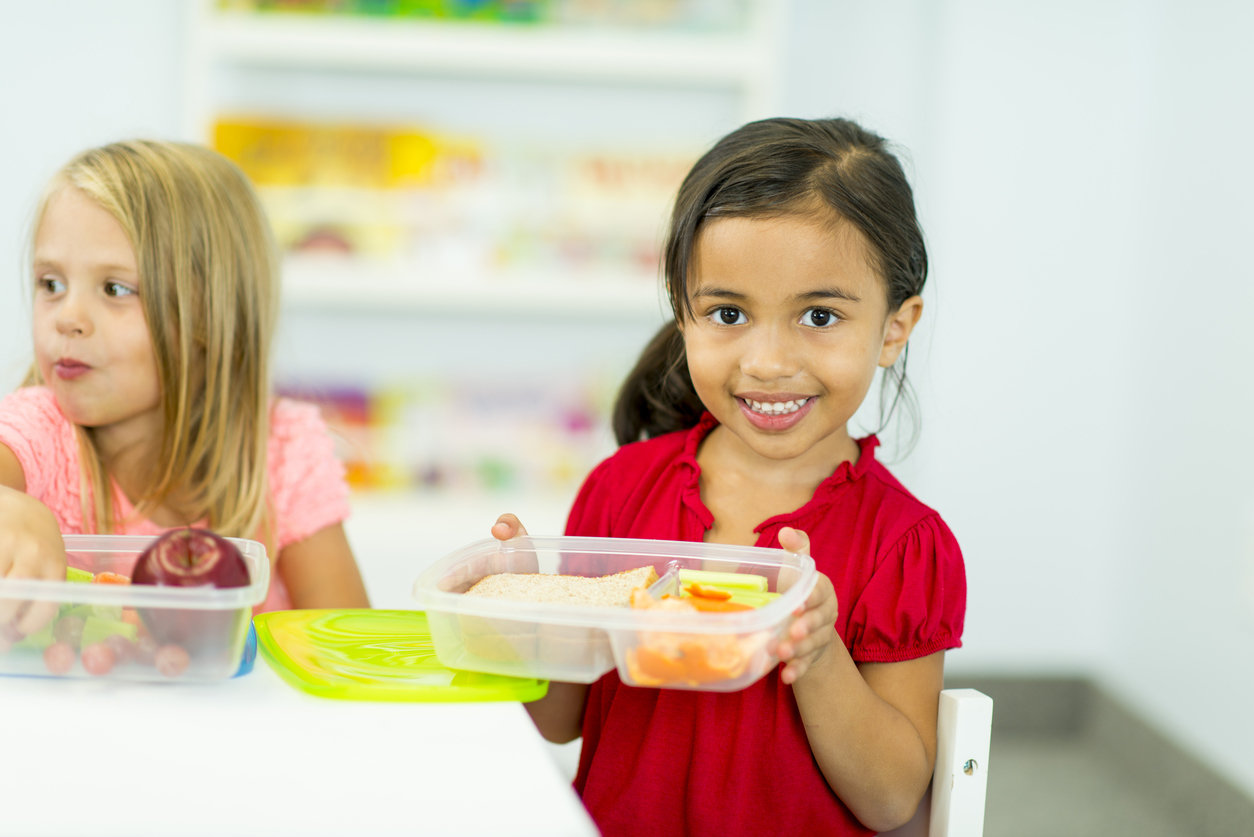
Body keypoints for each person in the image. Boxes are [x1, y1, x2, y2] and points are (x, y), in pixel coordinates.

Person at [491, 117, 965, 836]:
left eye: (818, 314)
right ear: (683, 314)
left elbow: (893, 798)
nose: (767, 361)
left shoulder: (905, 545)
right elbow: (560, 720)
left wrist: (816, 650)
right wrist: (531, 613)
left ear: (895, 329)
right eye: (728, 312)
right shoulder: (620, 491)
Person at [0, 139, 369, 639]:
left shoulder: (282, 449)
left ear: (207, 320)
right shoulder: (41, 428)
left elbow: (352, 643)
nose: (67, 318)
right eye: (51, 284)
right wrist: (13, 507)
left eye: (114, 289)